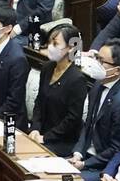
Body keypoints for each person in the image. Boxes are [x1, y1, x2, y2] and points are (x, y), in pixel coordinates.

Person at [70, 39, 120, 172]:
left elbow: (116, 149)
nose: (96, 63)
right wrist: (77, 154)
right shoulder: (97, 85)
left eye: (101, 61)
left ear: (117, 70)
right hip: (84, 156)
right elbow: (88, 125)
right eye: (96, 58)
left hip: (101, 166)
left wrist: (85, 164)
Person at [29, 24, 87, 156]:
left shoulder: (76, 79)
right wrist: (35, 128)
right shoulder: (48, 67)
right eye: (49, 42)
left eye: (55, 44)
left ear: (70, 48)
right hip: (40, 133)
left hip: (62, 141)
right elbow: (39, 101)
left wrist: (46, 137)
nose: (50, 47)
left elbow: (72, 119)